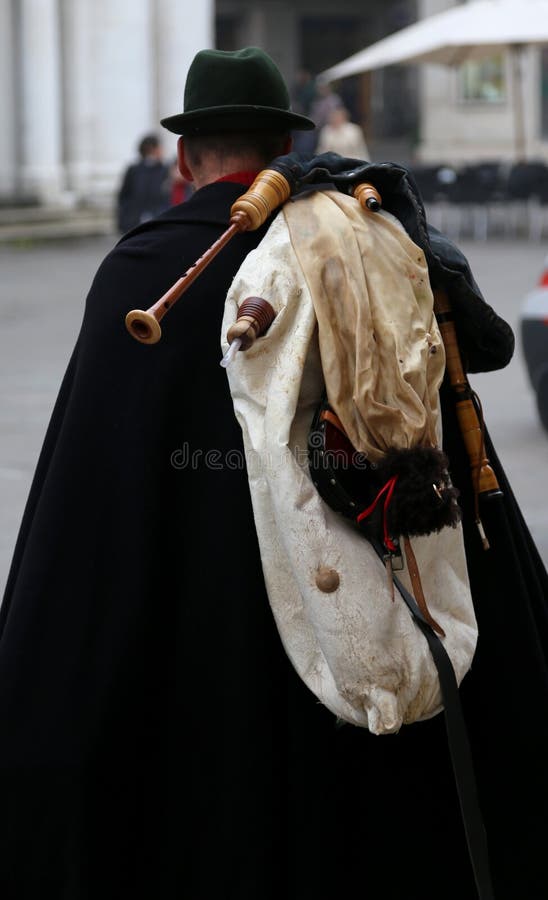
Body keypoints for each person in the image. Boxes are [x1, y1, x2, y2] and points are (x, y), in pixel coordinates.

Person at [0, 45, 547, 900]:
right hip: (369, 620)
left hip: (205, 639)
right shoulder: (370, 247)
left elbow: (91, 492)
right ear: (283, 148)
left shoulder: (144, 273)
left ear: (186, 159)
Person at [116, 132, 171, 232]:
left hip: (158, 221)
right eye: (160, 148)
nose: (162, 151)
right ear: (152, 149)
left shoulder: (164, 169)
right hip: (134, 222)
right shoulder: (134, 170)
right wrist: (125, 219)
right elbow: (124, 196)